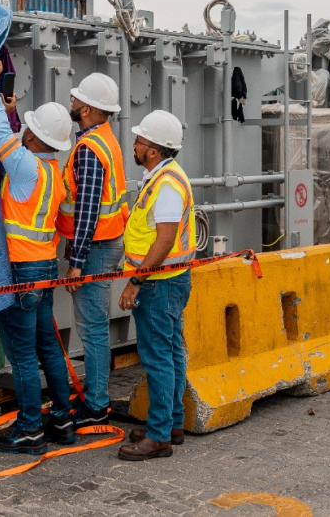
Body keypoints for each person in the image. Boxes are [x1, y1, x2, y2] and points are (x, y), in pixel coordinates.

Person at [0, 55, 77, 455]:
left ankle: (29, 431)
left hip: (20, 270)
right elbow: (13, 134)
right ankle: (63, 419)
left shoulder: (23, 167)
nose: (24, 134)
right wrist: (12, 108)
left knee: (21, 355)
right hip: (42, 269)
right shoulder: (51, 173)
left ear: (36, 139)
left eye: (29, 129)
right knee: (47, 346)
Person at [116, 110, 196, 461]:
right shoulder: (165, 176)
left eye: (139, 141)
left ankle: (159, 435)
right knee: (173, 352)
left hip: (158, 284)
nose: (133, 145)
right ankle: (171, 424)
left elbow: (163, 241)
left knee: (158, 358)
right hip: (170, 282)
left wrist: (135, 281)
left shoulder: (165, 185)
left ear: (153, 150)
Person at [57, 72, 128, 427]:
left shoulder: (89, 150)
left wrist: (76, 262)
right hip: (105, 241)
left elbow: (86, 211)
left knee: (92, 327)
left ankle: (97, 403)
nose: (71, 103)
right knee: (93, 325)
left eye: (75, 100)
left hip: (96, 247)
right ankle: (95, 394)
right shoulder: (104, 139)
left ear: (85, 108)